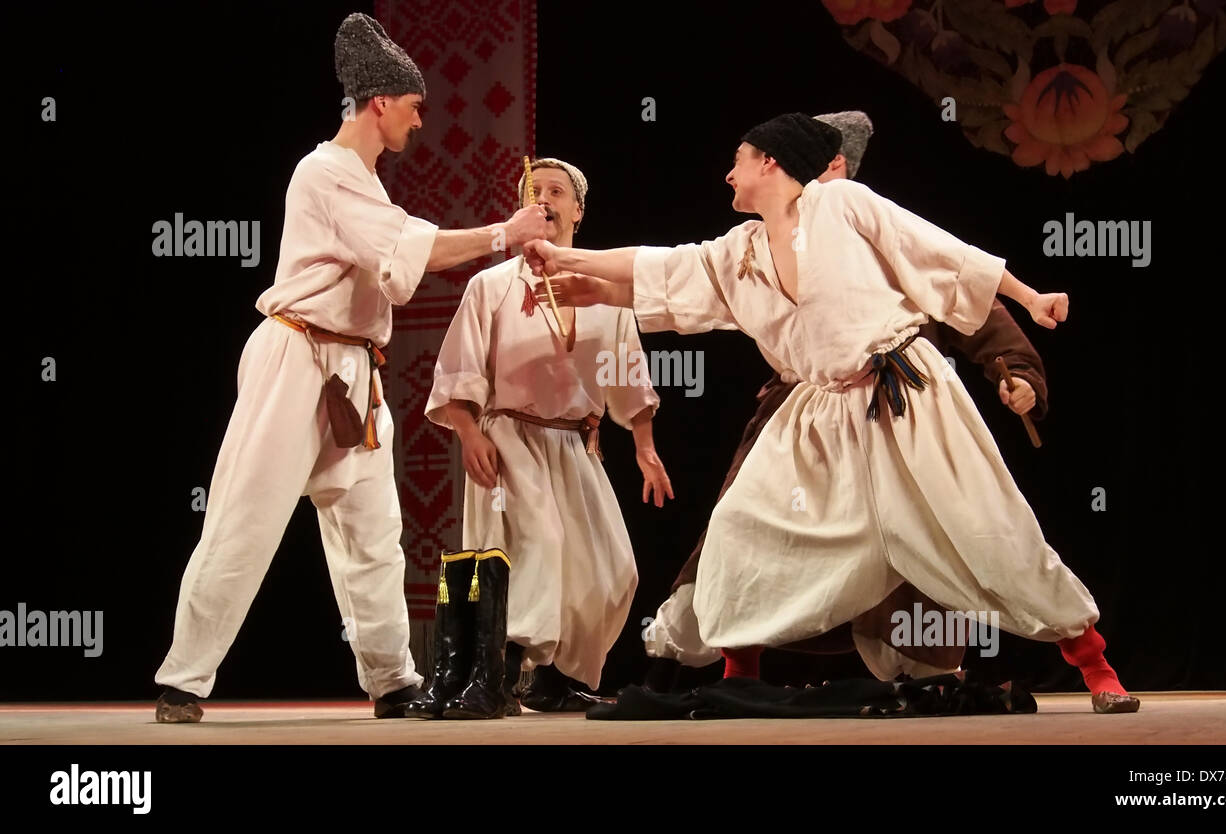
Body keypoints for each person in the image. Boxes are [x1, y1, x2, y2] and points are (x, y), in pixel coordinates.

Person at [525, 113, 1138, 713]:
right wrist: (569, 261)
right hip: (820, 411)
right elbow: (657, 265)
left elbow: (942, 254)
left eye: (737, 161)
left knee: (986, 529)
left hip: (906, 396)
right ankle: (742, 676)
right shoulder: (739, 250)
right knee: (743, 522)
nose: (727, 175)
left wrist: (1031, 298)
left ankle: (1095, 666)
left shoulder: (843, 204)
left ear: (770, 162)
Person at [154, 12, 549, 723]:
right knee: (245, 518)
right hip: (296, 359)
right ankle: (184, 679)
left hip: (352, 370)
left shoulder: (363, 182)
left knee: (372, 532)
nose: (421, 122)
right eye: (414, 107)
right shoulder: (326, 172)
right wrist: (503, 233)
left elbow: (395, 262)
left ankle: (392, 678)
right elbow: (408, 250)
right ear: (379, 103)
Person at [643, 111, 1051, 688]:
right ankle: (734, 660)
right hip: (802, 413)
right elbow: (688, 280)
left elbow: (963, 281)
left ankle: (924, 668)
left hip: (891, 404)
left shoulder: (862, 218)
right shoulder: (758, 241)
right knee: (751, 521)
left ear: (835, 167)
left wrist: (1019, 372)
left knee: (925, 531)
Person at [426, 157, 673, 716]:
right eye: (534, 192)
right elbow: (458, 369)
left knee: (612, 569)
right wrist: (468, 432)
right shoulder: (490, 286)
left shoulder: (603, 291)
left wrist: (644, 446)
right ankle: (496, 675)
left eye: (557, 191)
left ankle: (559, 678)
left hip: (573, 442)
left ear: (578, 211)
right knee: (538, 547)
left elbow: (627, 374)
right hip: (510, 435)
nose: (544, 199)